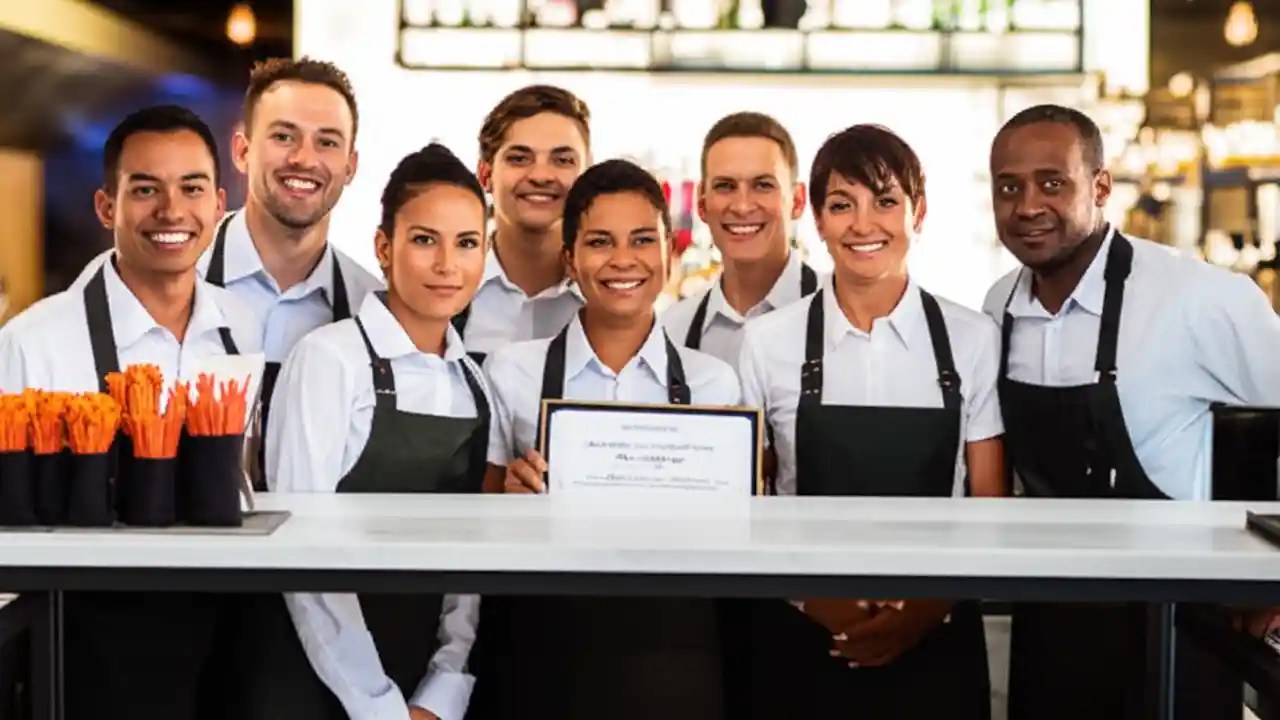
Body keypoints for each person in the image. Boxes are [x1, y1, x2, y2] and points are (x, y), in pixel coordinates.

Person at [984, 104, 1280, 720]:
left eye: (1052, 182)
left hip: (1177, 624)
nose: (1028, 204)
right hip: (1049, 619)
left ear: (1100, 188)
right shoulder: (999, 305)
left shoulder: (1198, 298)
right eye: (1009, 187)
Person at [0, 105, 261, 720]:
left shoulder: (241, 328)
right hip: (84, 643)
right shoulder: (34, 341)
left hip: (225, 631)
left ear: (220, 203)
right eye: (145, 189)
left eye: (191, 188)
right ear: (106, 207)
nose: (172, 211)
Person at [736, 124, 1005, 719]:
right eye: (841, 205)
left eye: (885, 202)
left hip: (939, 637)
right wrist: (815, 601)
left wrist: (929, 608)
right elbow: (752, 503)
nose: (863, 224)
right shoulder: (767, 342)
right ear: (818, 219)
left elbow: (990, 504)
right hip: (805, 640)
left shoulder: (973, 339)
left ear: (920, 212)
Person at [474, 159, 741, 720]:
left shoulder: (714, 383)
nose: (623, 260)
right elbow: (480, 520)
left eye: (643, 240)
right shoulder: (511, 371)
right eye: (600, 242)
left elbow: (734, 536)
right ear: (570, 258)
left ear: (669, 250)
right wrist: (508, 502)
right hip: (541, 654)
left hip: (675, 659)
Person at [233, 144, 491, 720]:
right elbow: (303, 556)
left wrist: (443, 689)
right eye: (425, 240)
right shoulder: (330, 359)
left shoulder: (474, 382)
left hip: (417, 680)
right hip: (310, 676)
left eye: (467, 243)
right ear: (384, 247)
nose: (448, 264)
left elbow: (471, 556)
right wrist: (375, 704)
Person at [199, 56, 383, 487]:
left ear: (350, 167)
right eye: (284, 136)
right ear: (243, 151)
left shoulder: (372, 309)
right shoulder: (179, 279)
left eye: (328, 143)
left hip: (319, 548)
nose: (304, 159)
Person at [663, 111, 823, 366]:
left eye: (763, 185)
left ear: (798, 200)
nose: (742, 206)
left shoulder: (843, 319)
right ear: (702, 204)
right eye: (725, 186)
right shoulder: (670, 333)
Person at [450, 84, 590, 362]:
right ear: (485, 175)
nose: (540, 175)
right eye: (519, 158)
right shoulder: (443, 290)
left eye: (562, 160)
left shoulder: (609, 298)